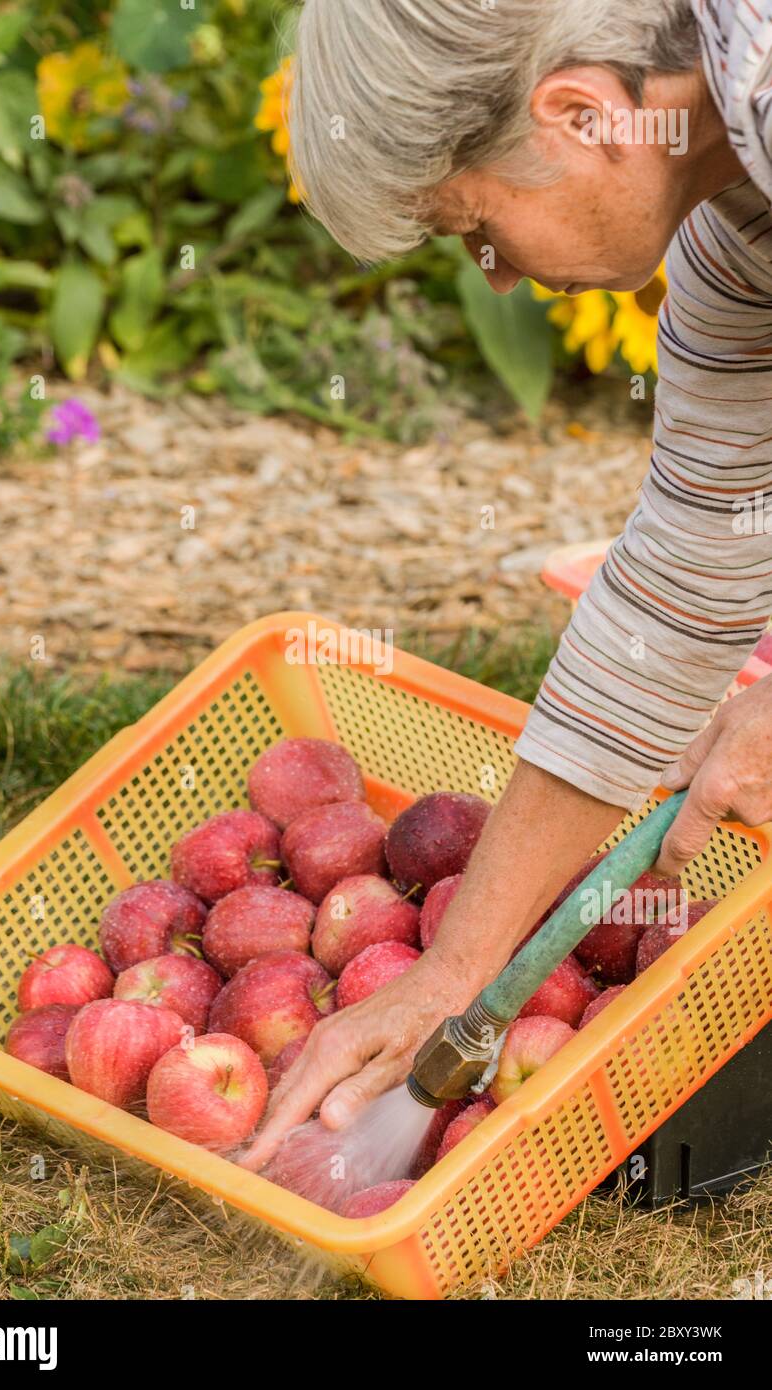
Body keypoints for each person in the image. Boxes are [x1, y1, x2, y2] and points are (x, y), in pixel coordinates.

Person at [242, 0, 772, 1172]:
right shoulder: (740, 235)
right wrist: (451, 972)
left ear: (580, 115)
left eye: (473, 227)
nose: (492, 275)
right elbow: (683, 575)